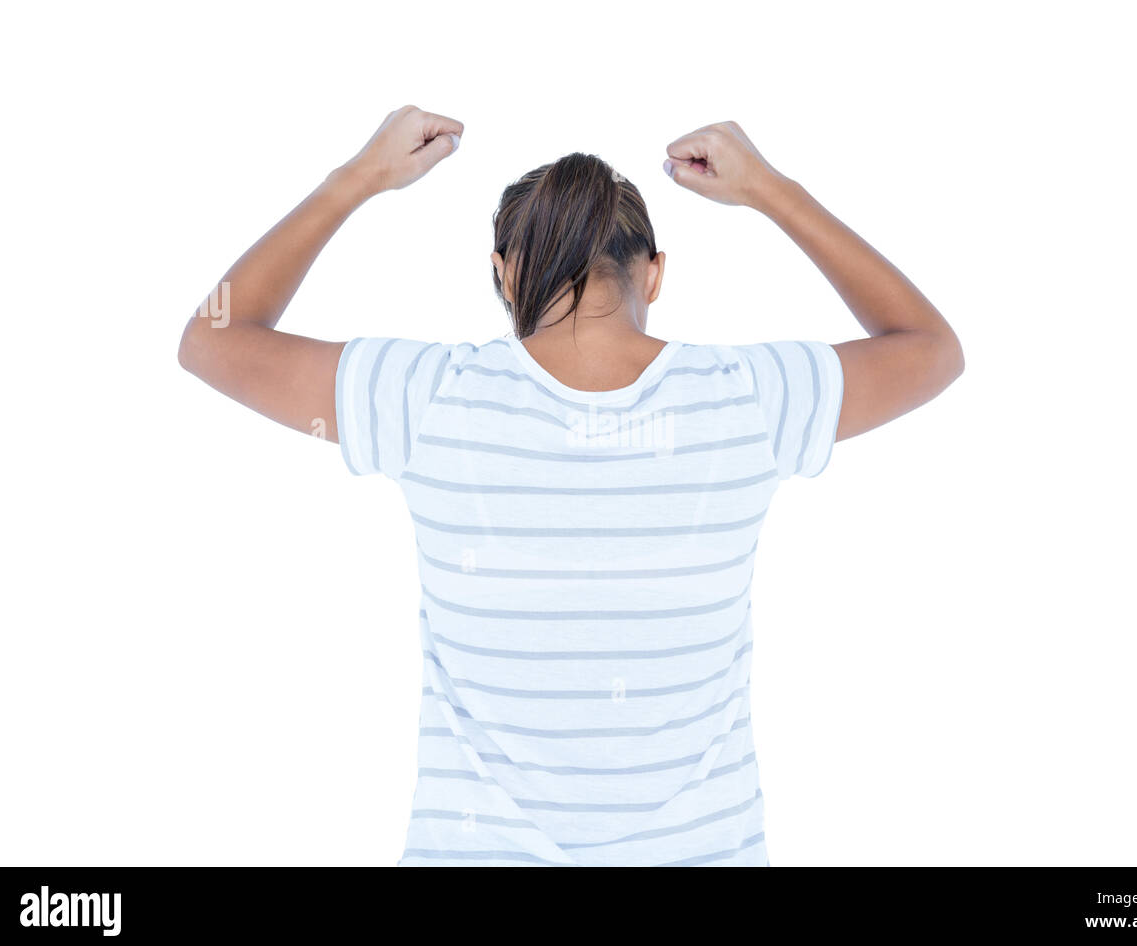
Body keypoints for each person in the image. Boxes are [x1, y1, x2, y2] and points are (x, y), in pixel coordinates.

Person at [178, 105, 964, 866]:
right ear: (653, 275)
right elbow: (930, 347)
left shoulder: (428, 398)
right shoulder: (747, 400)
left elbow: (212, 340)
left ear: (503, 272)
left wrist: (356, 177)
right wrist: (769, 189)